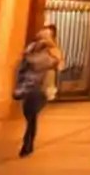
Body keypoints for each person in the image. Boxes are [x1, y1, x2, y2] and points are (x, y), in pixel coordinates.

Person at [16, 24, 64, 158]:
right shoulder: (31, 48)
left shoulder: (52, 50)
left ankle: (27, 144)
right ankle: (28, 142)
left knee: (32, 115)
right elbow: (23, 65)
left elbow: (58, 65)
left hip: (41, 87)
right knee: (29, 114)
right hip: (28, 85)